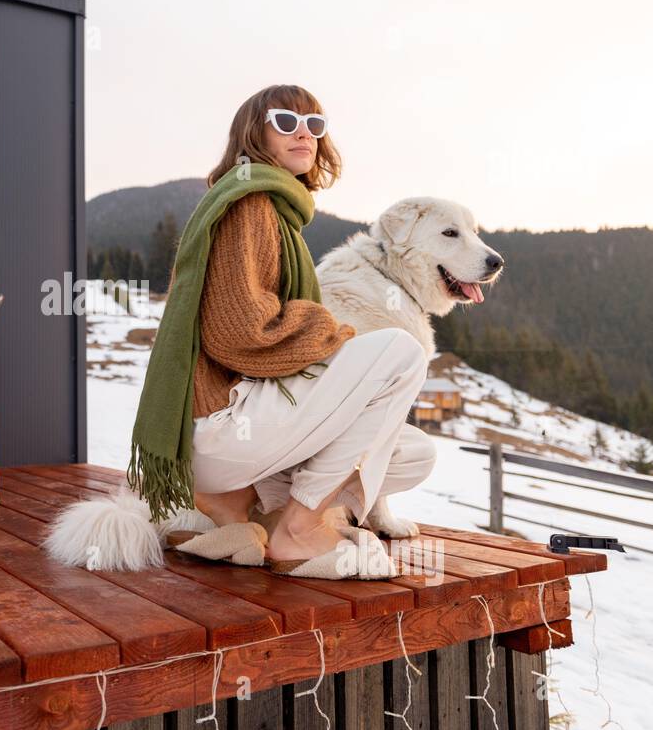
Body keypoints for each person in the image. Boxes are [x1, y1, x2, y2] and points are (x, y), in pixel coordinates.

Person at [126, 83, 435, 579]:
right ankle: (299, 528)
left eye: (315, 125)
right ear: (254, 133)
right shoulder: (250, 205)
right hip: (226, 427)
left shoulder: (276, 211)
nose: (304, 134)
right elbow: (239, 332)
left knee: (414, 453)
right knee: (400, 352)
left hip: (239, 436)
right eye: (285, 122)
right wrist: (329, 329)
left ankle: (240, 511)